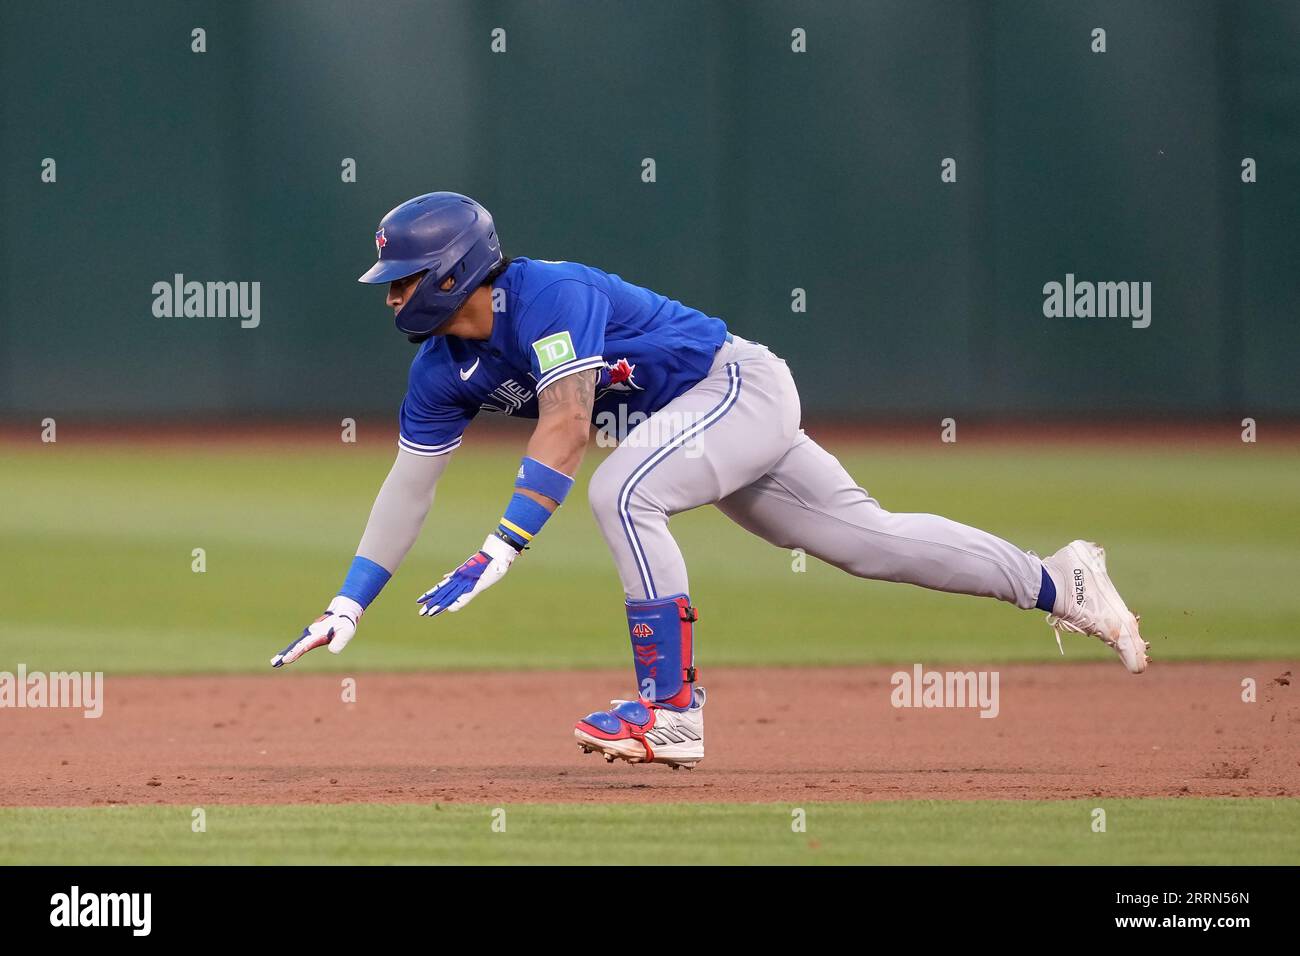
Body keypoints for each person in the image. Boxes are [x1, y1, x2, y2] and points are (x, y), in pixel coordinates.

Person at [271, 191, 1149, 770]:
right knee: (868, 541)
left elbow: (570, 421)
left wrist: (503, 545)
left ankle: (672, 710)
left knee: (623, 490)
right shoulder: (439, 371)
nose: (392, 297)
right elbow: (409, 487)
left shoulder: (550, 296)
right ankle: (1057, 581)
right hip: (689, 426)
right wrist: (348, 602)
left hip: (733, 386)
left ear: (457, 270)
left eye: (405, 280)